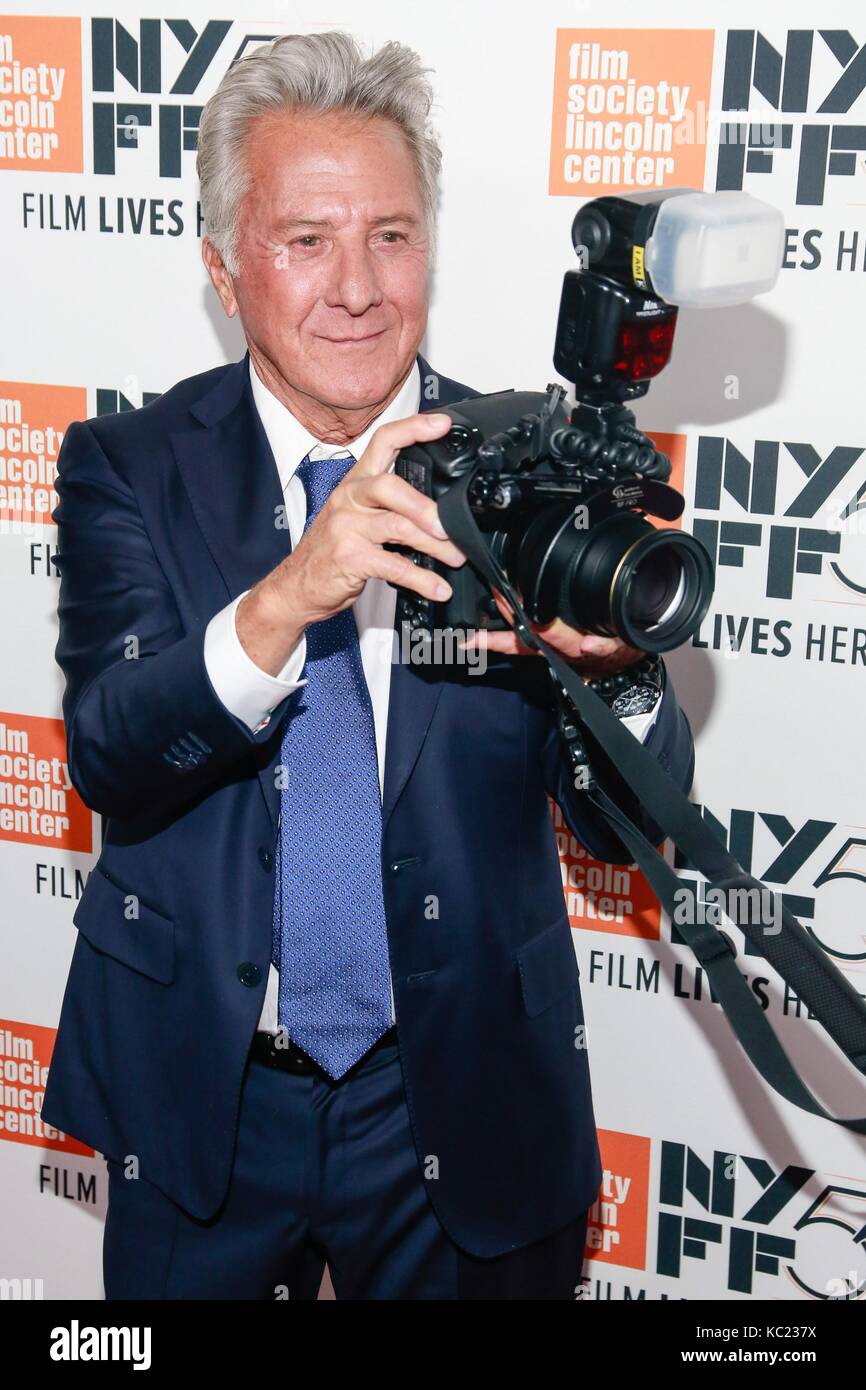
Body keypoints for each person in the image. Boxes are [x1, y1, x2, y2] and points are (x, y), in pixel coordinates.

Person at [42, 31, 694, 1300]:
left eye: (390, 235)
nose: (356, 288)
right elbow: (114, 746)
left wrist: (615, 674)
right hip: (206, 1094)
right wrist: (296, 590)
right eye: (305, 239)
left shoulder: (522, 475)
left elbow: (622, 830)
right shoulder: (126, 464)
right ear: (224, 268)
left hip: (456, 1090)